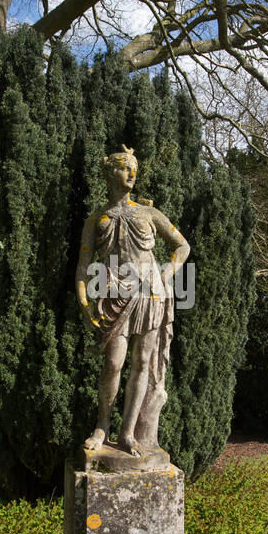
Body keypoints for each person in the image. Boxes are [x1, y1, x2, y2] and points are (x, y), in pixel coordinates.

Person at [76, 145, 190, 457]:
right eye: (125, 167)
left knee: (142, 362)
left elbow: (182, 246)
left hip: (151, 293)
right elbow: (84, 267)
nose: (132, 174)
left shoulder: (149, 213)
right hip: (114, 294)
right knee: (113, 363)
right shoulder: (96, 218)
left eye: (134, 169)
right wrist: (85, 303)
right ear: (110, 172)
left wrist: (166, 274)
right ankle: (102, 426)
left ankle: (127, 432)